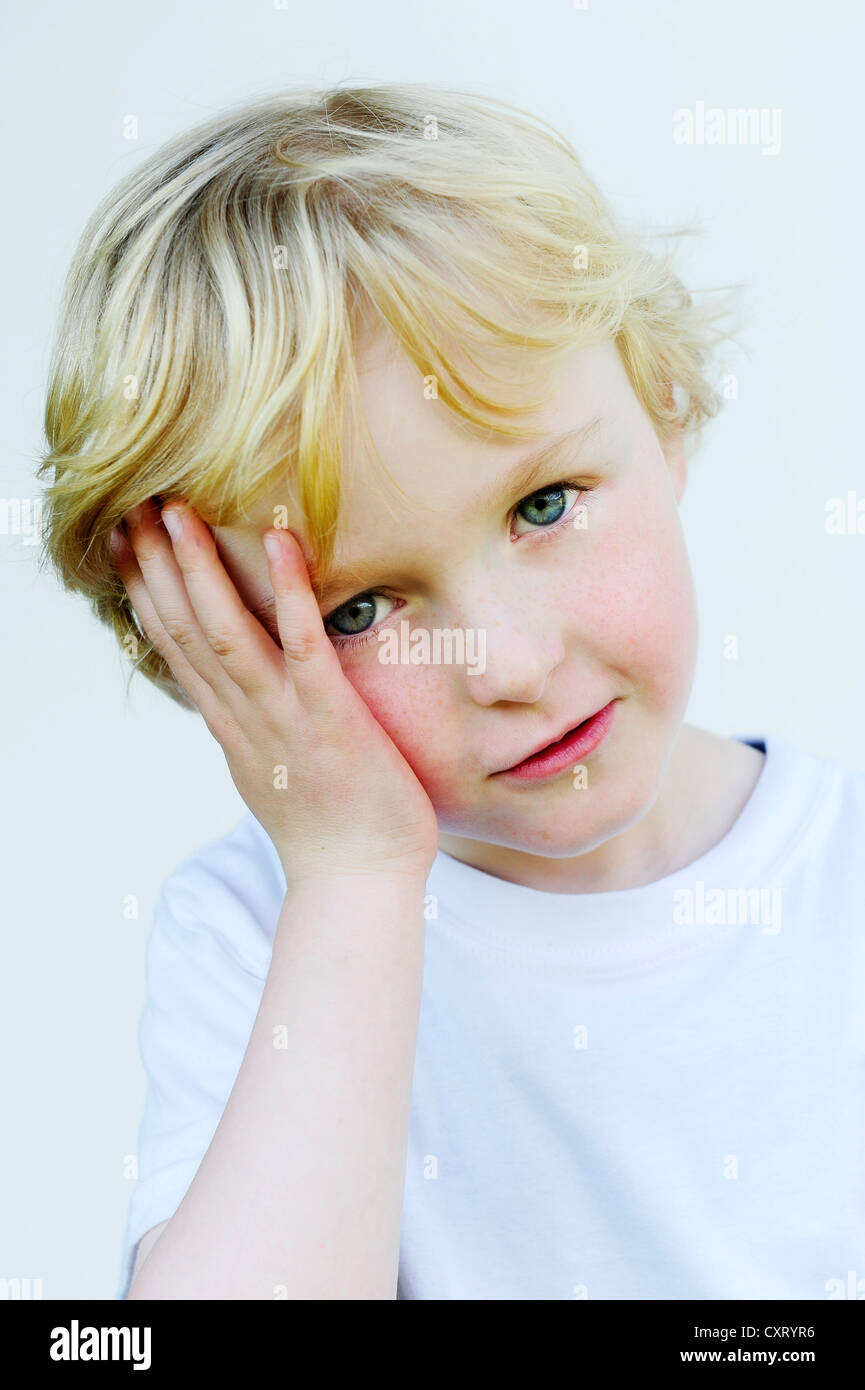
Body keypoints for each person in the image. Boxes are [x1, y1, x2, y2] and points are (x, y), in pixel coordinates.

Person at [37, 83, 865, 1300]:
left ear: (665, 403)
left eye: (544, 505)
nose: (512, 667)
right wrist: (355, 878)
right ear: (211, 650)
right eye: (359, 610)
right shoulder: (260, 935)